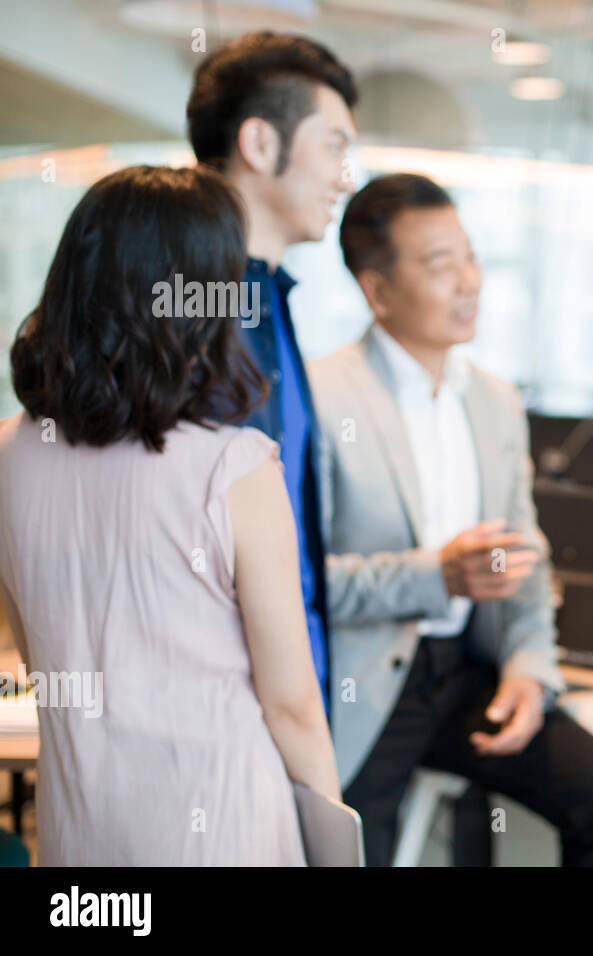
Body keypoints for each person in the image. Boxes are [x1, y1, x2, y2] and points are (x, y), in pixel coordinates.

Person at [0, 165, 339, 865]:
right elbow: (293, 707)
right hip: (226, 831)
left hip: (81, 839)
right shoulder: (235, 467)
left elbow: (40, 653)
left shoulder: (8, 454)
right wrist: (337, 849)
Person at [310, 173, 593, 866]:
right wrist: (437, 575)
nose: (469, 282)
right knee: (343, 849)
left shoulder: (492, 400)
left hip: (469, 672)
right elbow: (301, 584)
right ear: (376, 290)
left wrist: (528, 669)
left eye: (470, 257)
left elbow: (526, 559)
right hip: (366, 682)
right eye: (440, 266)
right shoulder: (320, 398)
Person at [186, 31, 359, 712]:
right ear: (261, 145)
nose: (346, 177)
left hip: (292, 692)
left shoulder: (268, 300)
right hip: (230, 707)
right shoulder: (191, 313)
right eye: (335, 146)